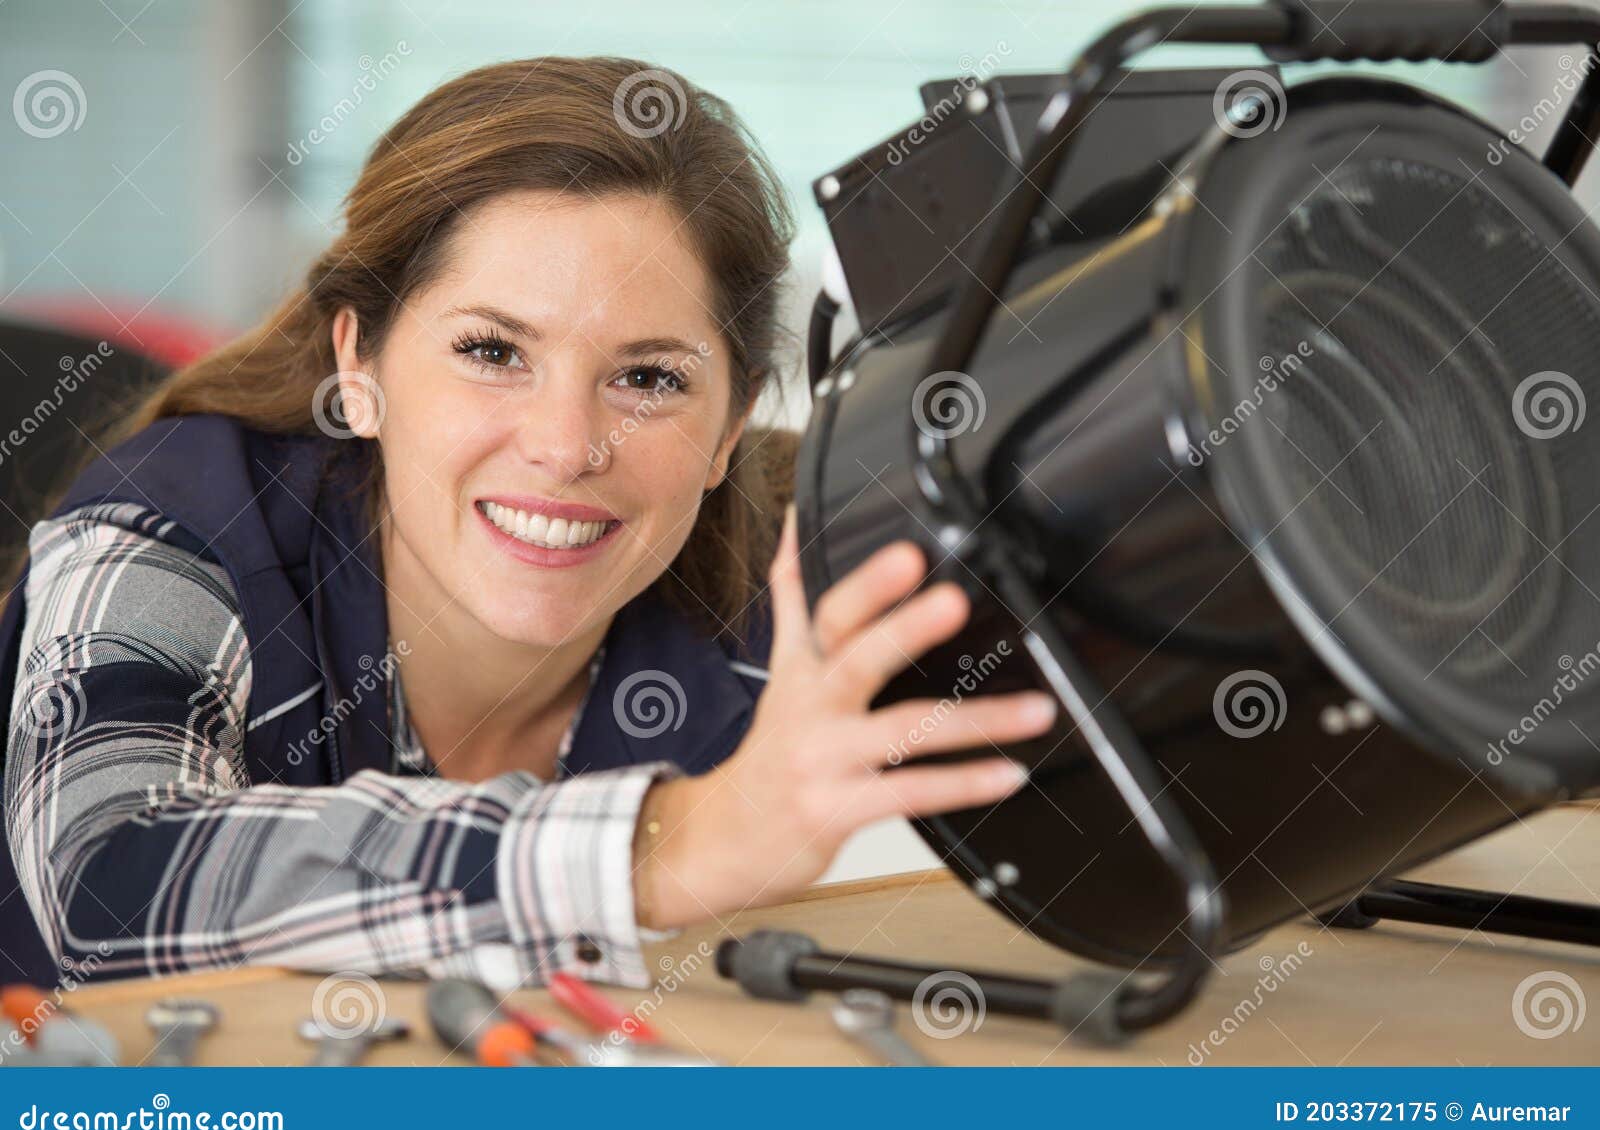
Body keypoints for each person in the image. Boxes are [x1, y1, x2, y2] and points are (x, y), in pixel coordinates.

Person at [0, 57, 1055, 988]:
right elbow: (110, 877)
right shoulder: (166, 533)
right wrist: (664, 846)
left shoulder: (802, 555)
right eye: (492, 351)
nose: (564, 446)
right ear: (356, 365)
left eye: (647, 376)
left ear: (733, 423)